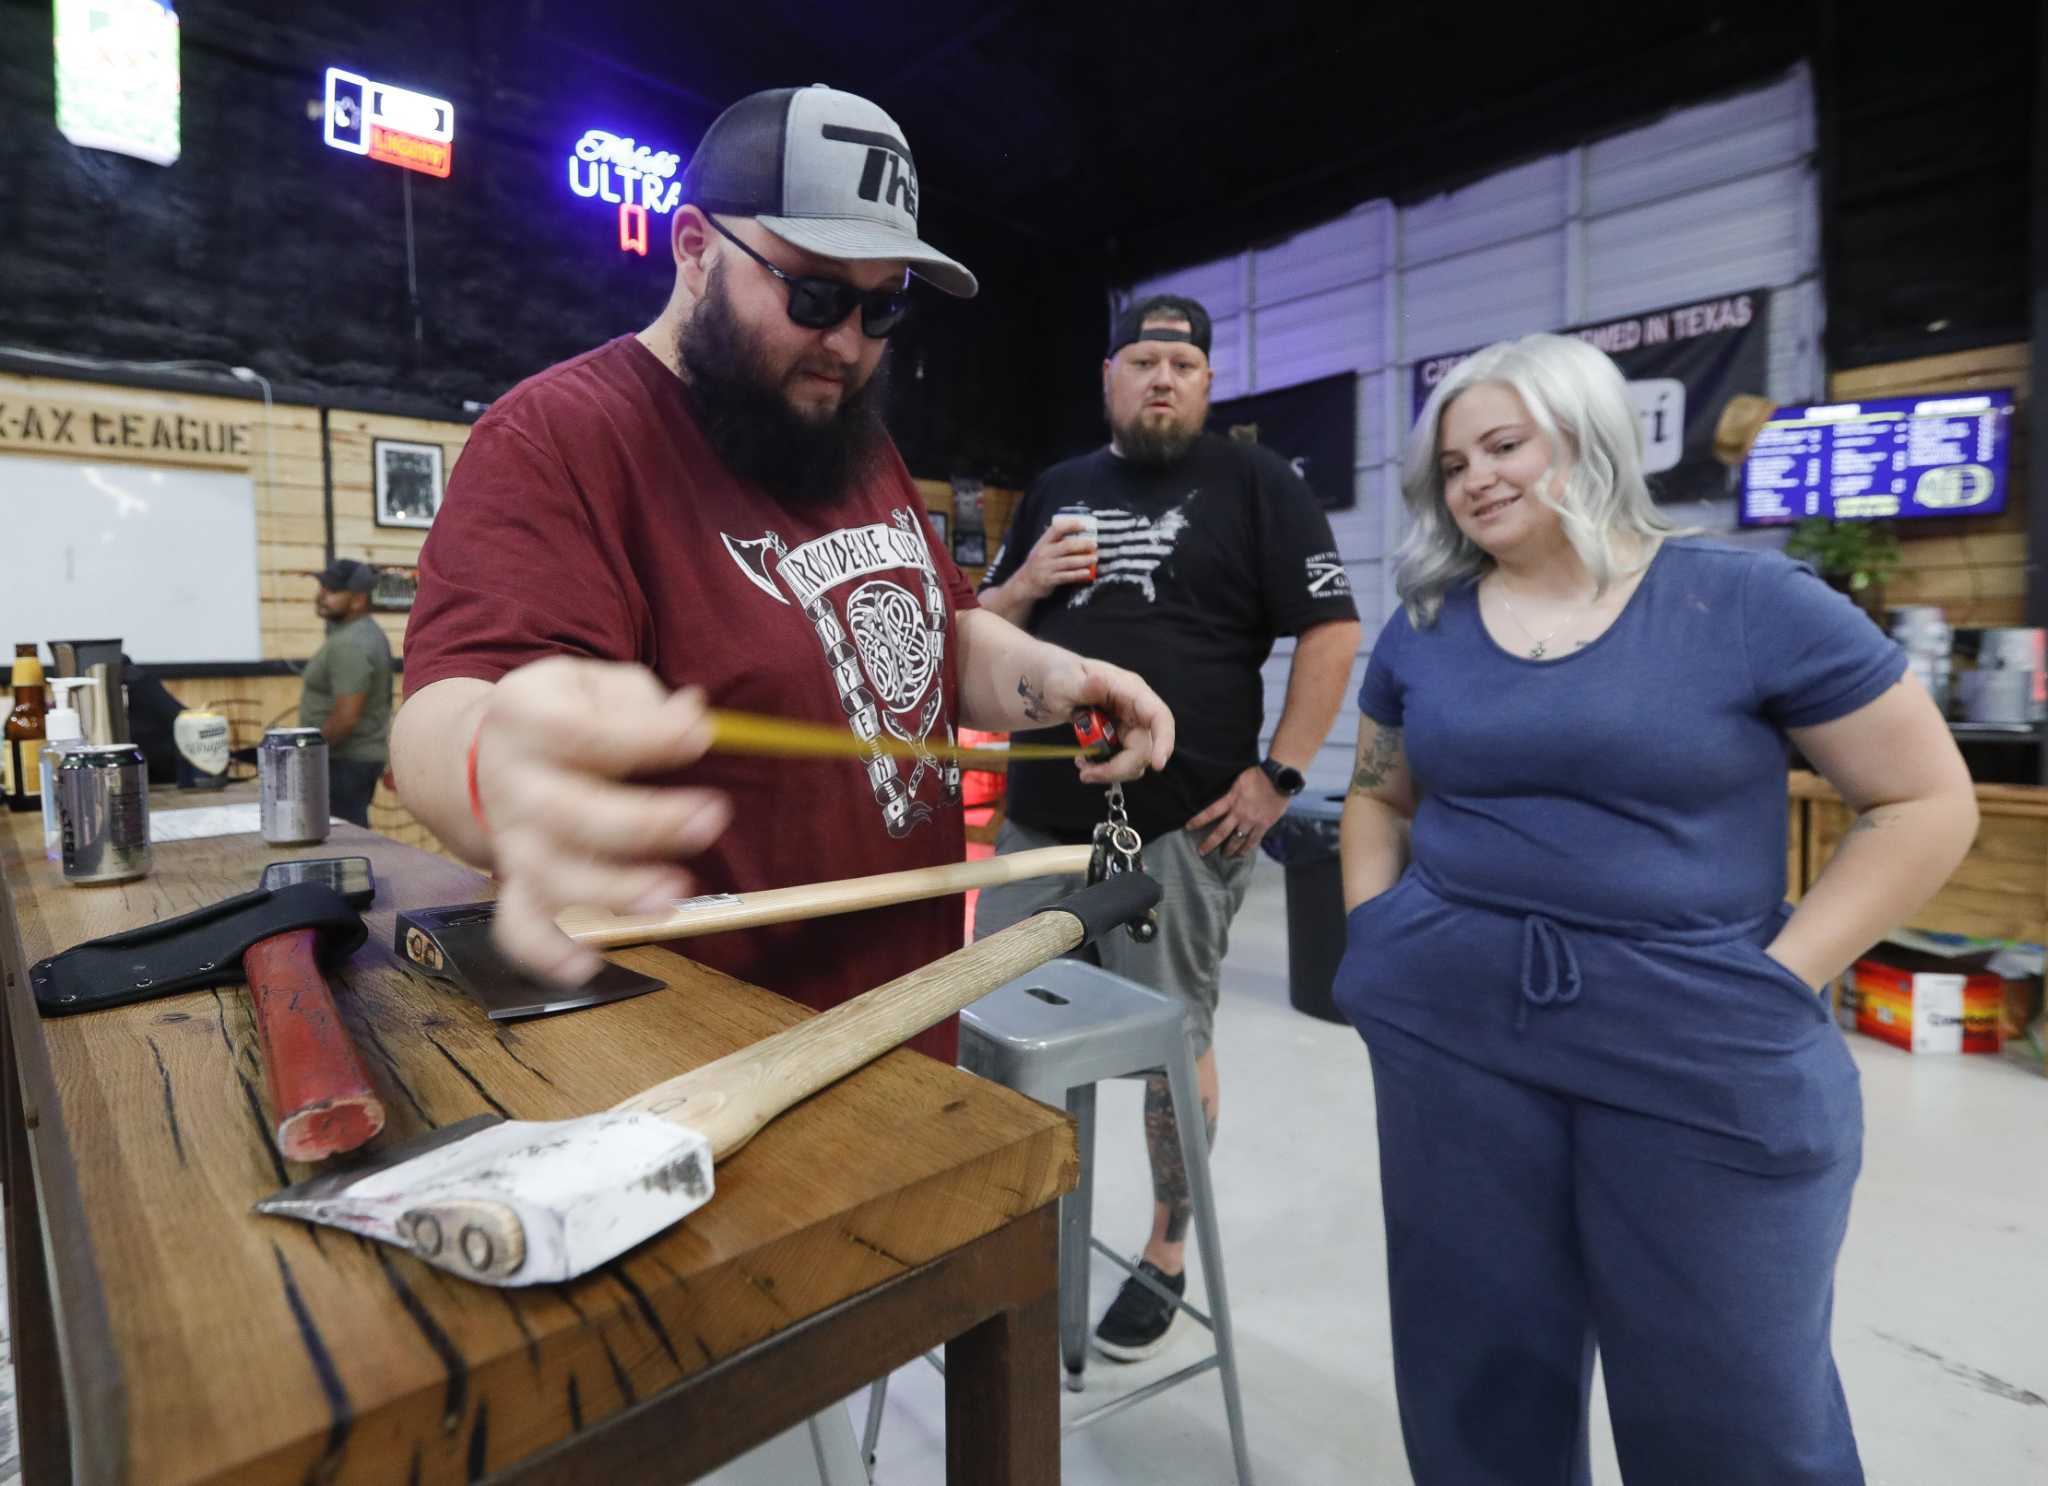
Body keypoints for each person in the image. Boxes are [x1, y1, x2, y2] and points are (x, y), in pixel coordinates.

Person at [391, 85, 1171, 1064]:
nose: (845, 343)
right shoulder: (560, 439)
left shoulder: (847, 436)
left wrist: (1053, 680)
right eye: (810, 293)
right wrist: (487, 767)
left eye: (880, 305)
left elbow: (946, 636)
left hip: (909, 1026)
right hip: (709, 1063)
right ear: (692, 246)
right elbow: (443, 711)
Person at [1336, 333, 1977, 1485]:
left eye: (1502, 444)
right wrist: (1376, 937)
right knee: (1473, 1367)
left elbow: (1924, 799)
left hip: (1696, 1034)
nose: (1473, 477)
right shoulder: (1426, 621)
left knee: (1731, 1402)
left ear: (1584, 438)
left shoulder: (1742, 599)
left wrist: (1778, 978)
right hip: (1454, 1030)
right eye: (1451, 463)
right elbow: (1379, 793)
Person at [975, 293, 1362, 1361]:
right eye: (1141, 360)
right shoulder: (1056, 490)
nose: (1160, 378)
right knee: (999, 1037)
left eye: (1180, 366)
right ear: (1108, 376)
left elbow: (1331, 631)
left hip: (1177, 835)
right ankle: (1003, 1243)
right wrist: (1024, 581)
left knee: (1167, 1047)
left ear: (1204, 385)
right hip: (1038, 827)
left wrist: (1278, 775)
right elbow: (986, 632)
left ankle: (1162, 1249)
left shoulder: (1254, 483)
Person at [302, 558, 394, 827]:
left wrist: (306, 754)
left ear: (357, 600)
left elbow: (346, 718)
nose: (321, 596)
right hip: (346, 761)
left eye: (331, 591)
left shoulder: (352, 644)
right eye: (322, 588)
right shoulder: (356, 634)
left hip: (344, 762)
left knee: (345, 843)